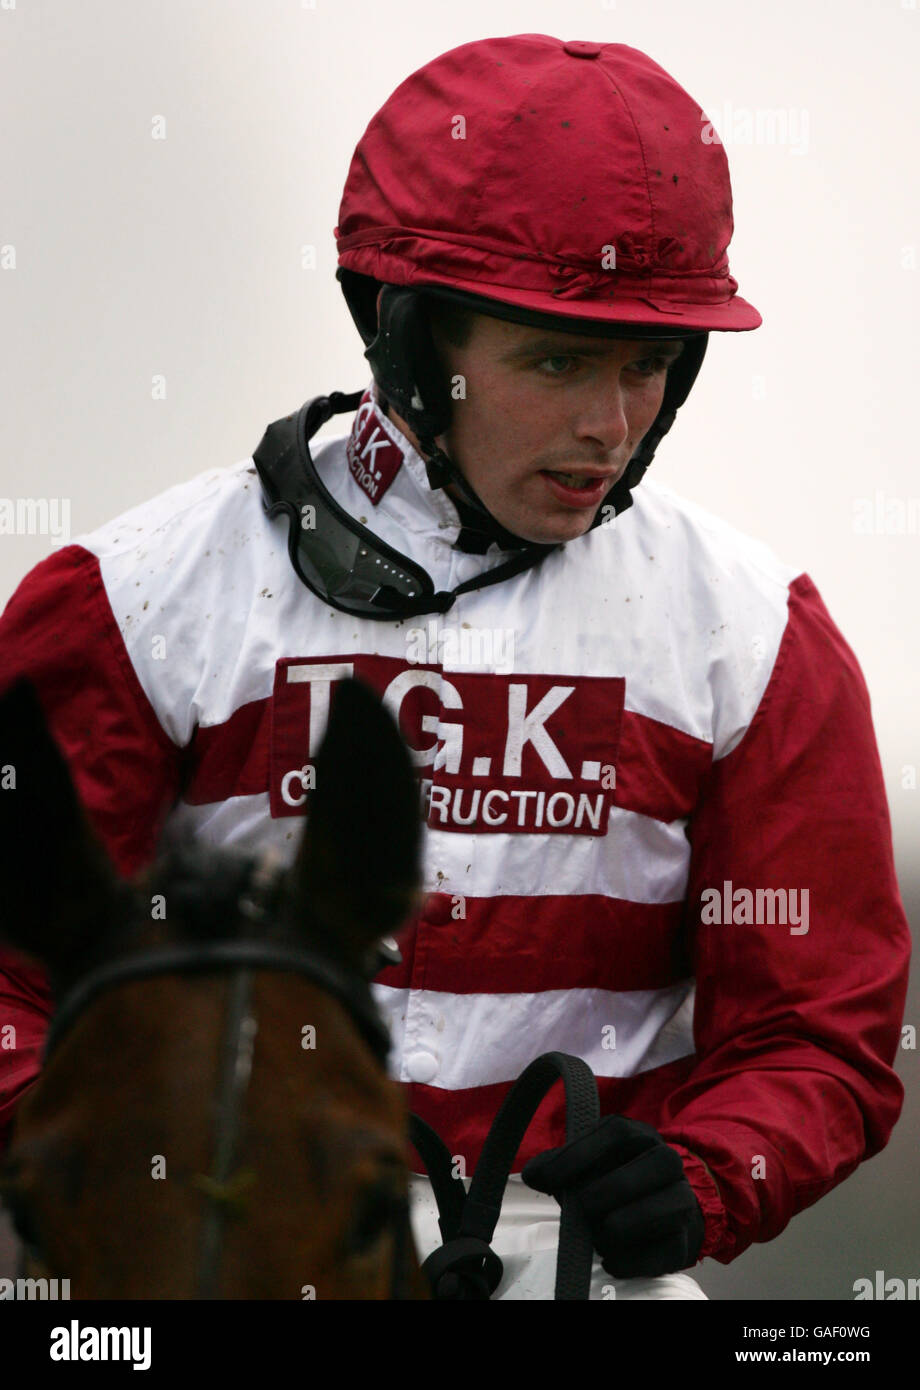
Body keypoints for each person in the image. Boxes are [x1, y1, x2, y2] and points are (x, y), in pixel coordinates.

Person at [0, 34, 910, 1301]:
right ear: (409, 339)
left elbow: (816, 1032)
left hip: (572, 1269)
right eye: (556, 362)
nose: (609, 426)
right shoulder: (131, 598)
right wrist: (115, 1161)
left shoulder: (754, 636)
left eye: (646, 365)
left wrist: (707, 1173)